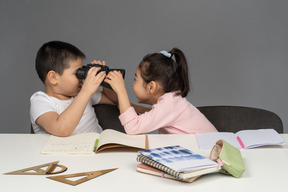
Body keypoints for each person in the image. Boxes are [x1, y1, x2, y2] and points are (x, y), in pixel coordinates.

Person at [105, 48, 218, 134]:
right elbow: (152, 113)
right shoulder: (171, 101)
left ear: (151, 87)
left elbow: (132, 127)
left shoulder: (169, 104)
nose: (133, 84)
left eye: (135, 79)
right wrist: (131, 107)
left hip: (210, 156)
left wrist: (121, 90)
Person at [30, 40, 116, 136]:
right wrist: (86, 91)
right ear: (53, 77)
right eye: (77, 73)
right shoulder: (40, 101)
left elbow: (114, 101)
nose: (82, 78)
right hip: (62, 150)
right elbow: (61, 129)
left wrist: (104, 78)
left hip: (95, 148)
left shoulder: (81, 93)